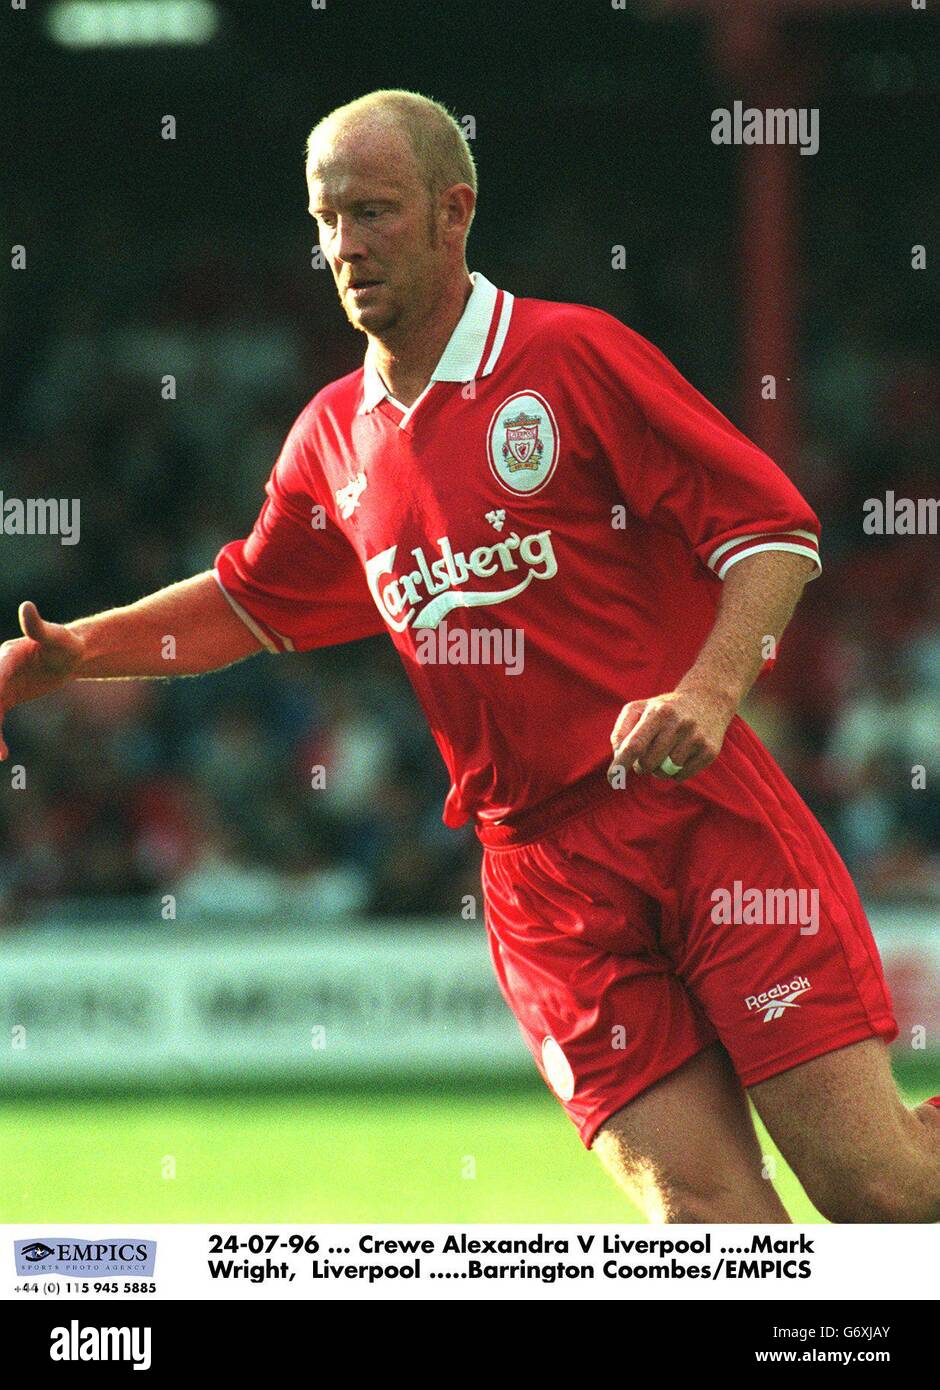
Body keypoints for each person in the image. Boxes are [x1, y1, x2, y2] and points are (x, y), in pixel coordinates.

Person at [2, 89, 937, 1223]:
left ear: (455, 211)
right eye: (325, 217)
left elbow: (775, 533)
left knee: (876, 1193)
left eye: (373, 211)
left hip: (694, 818)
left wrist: (707, 687)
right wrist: (71, 656)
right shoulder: (330, 439)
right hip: (540, 883)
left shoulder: (572, 355)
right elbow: (249, 604)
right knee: (709, 1231)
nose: (343, 245)